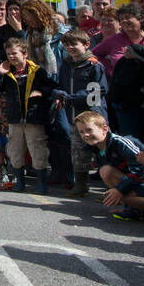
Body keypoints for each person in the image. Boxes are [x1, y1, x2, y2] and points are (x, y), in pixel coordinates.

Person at [0, 37, 59, 193]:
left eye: (14, 53)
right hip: (15, 118)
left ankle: (41, 183)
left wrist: (40, 92)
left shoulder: (37, 71)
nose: (11, 57)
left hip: (33, 117)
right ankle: (19, 182)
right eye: (8, 54)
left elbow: (51, 87)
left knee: (37, 149)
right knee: (15, 150)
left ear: (24, 53)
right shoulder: (8, 73)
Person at [95, 4, 144, 143]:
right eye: (121, 19)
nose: (124, 21)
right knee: (132, 140)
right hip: (124, 98)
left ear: (140, 19)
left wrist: (138, 55)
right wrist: (110, 68)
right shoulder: (114, 40)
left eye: (128, 18)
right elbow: (94, 55)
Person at [73, 111, 144, 221]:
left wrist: (119, 190)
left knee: (107, 172)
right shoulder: (95, 147)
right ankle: (135, 209)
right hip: (133, 182)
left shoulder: (121, 143)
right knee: (105, 172)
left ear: (104, 129)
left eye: (89, 130)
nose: (85, 135)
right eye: (81, 132)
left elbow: (142, 171)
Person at [56, 29, 108, 196]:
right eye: (66, 45)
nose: (70, 48)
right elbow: (60, 85)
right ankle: (81, 185)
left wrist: (71, 98)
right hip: (73, 116)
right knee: (78, 152)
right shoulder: (65, 64)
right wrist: (58, 94)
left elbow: (97, 91)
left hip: (93, 116)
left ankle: (111, 188)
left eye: (74, 44)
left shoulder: (94, 65)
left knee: (101, 152)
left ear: (86, 45)